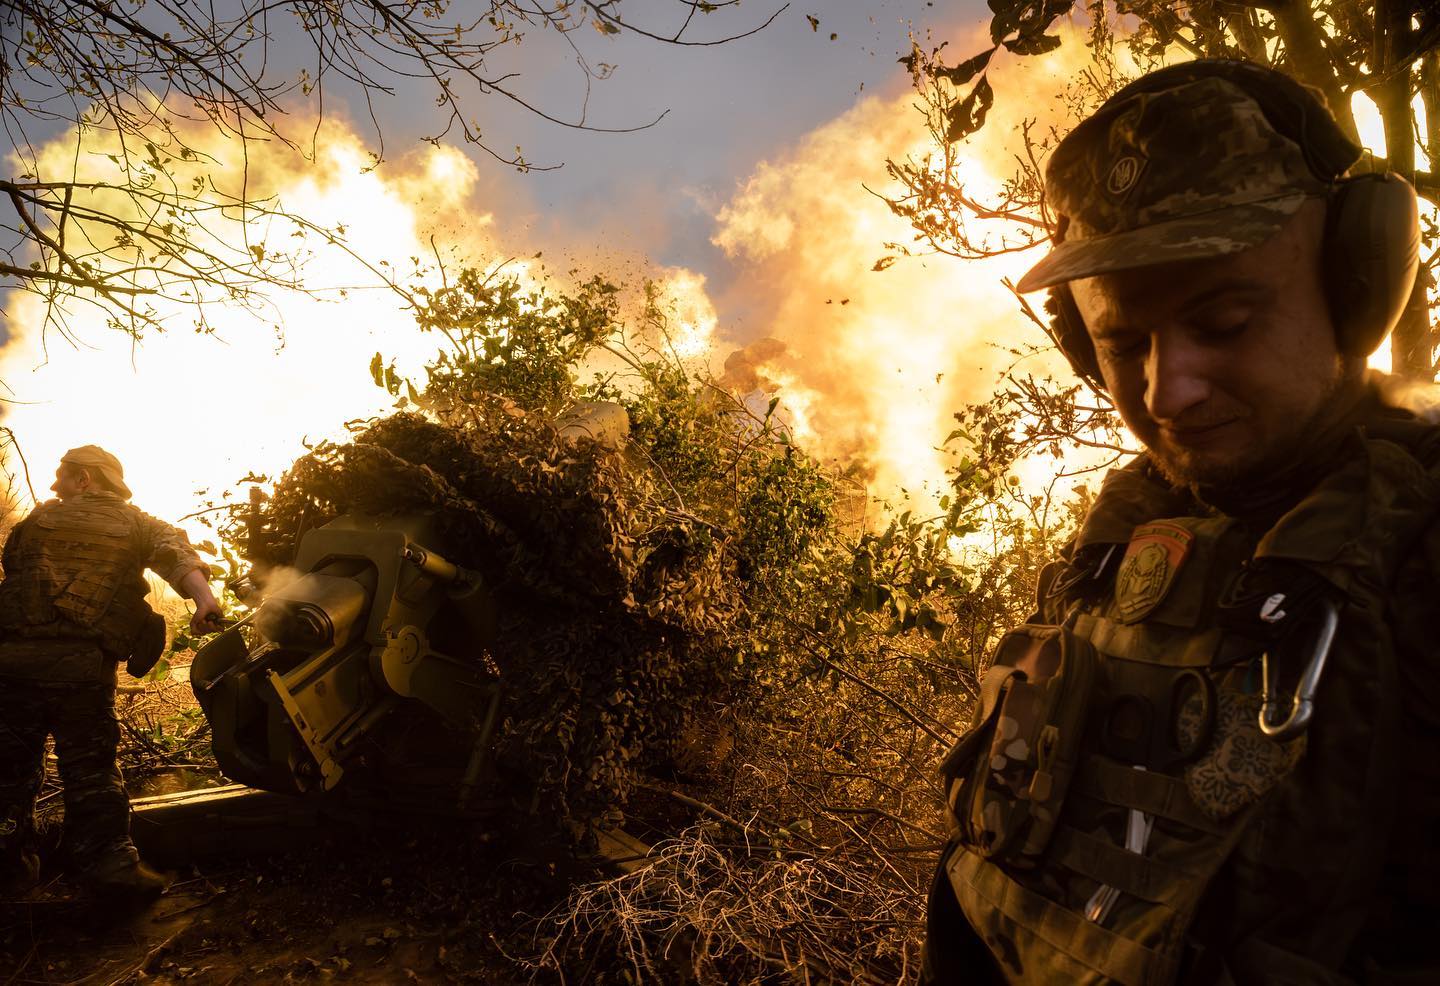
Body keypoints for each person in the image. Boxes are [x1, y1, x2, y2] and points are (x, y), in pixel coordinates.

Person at [922, 60, 1439, 984]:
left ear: (1357, 285)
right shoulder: (1130, 528)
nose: (1169, 392)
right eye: (1122, 344)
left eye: (1228, 320)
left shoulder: (1419, 547)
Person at [0, 445, 223, 902]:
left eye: (63, 476)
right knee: (91, 771)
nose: (53, 485)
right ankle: (108, 867)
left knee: (7, 772)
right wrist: (205, 601)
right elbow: (179, 558)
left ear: (86, 479)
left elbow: (13, 572)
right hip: (81, 673)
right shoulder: (138, 525)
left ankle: (9, 870)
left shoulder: (32, 525)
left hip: (11, 669)